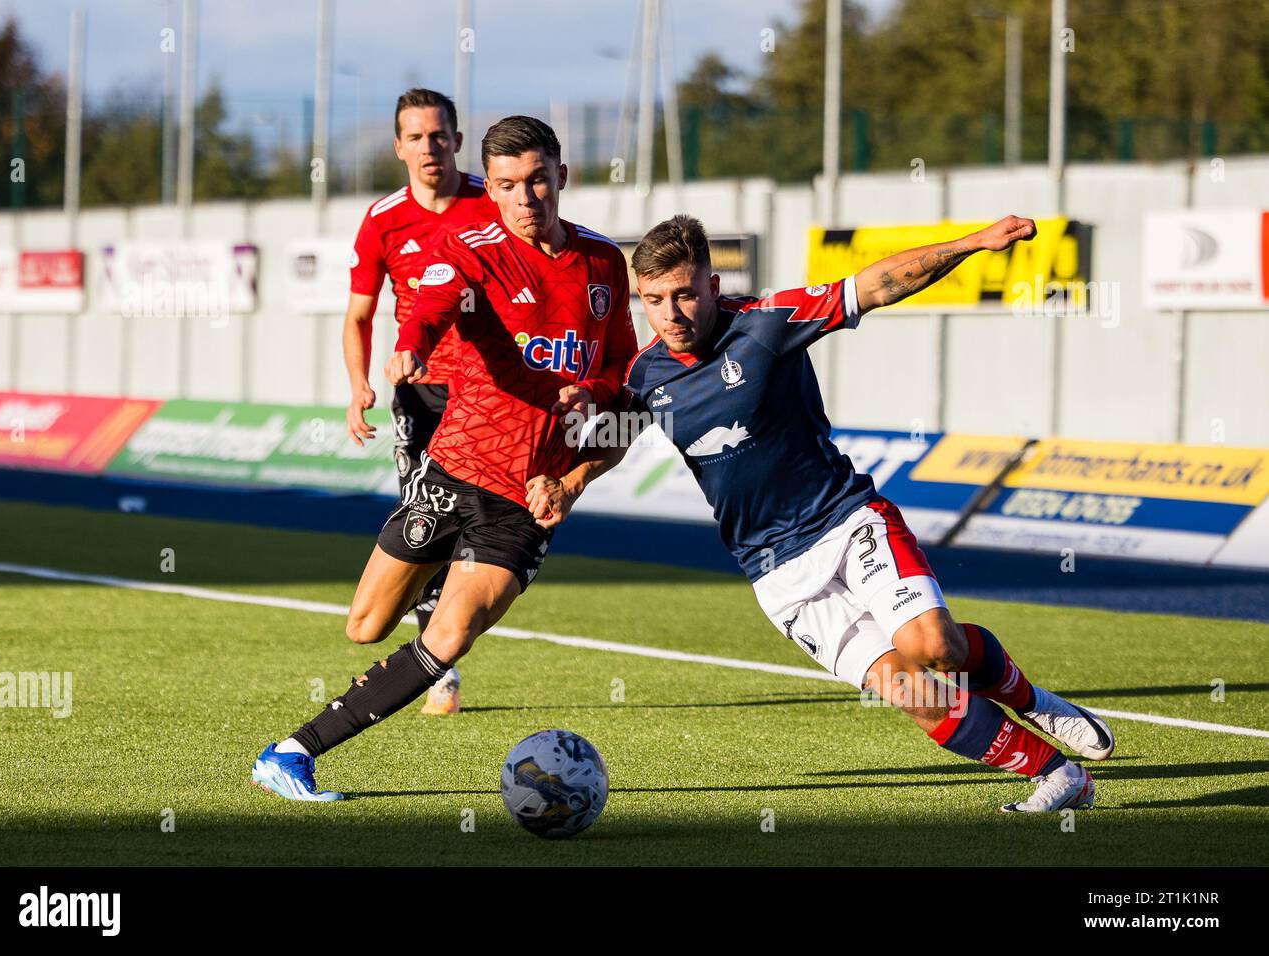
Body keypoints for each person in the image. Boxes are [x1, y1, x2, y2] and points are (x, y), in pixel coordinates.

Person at [528, 213, 1114, 813]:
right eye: (653, 300)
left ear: (712, 286)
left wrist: (972, 244)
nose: (671, 314)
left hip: (843, 518)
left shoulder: (764, 324)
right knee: (908, 689)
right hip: (772, 572)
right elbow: (620, 434)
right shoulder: (645, 375)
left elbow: (876, 285)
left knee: (934, 647)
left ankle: (1030, 698)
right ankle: (1059, 775)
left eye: (683, 294)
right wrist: (570, 482)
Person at [251, 115, 638, 801]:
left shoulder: (603, 262)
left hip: (528, 499)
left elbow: (623, 368)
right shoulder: (472, 247)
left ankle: (292, 753)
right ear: (489, 188)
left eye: (539, 181)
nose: (527, 199)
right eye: (511, 186)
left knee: (451, 636)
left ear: (562, 178)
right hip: (453, 468)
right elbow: (430, 303)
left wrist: (594, 402)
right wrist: (414, 345)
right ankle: (422, 602)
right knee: (364, 626)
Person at [341, 88, 497, 716]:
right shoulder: (384, 220)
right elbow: (357, 316)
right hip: (422, 396)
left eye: (440, 135)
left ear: (458, 140)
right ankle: (439, 663)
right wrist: (358, 387)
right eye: (417, 137)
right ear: (398, 146)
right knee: (427, 522)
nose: (430, 148)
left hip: (491, 397)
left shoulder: (496, 202)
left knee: (478, 528)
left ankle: (442, 660)